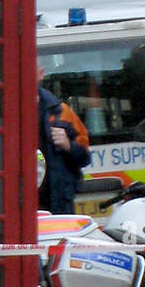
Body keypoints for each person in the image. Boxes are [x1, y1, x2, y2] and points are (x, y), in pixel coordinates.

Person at [38, 65, 91, 214]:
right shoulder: (7, 110)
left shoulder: (61, 111)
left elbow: (85, 157)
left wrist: (69, 146)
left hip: (57, 201)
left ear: (41, 74)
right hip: (22, 201)